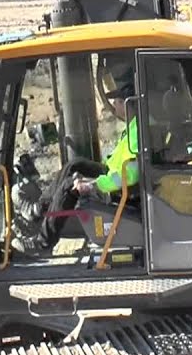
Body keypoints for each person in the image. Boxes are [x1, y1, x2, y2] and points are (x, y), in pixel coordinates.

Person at [38, 78, 139, 248]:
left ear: (130, 104)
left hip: (118, 188)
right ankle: (40, 209)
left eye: (119, 102)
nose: (115, 106)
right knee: (75, 165)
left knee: (70, 186)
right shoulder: (134, 126)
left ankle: (42, 243)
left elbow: (131, 174)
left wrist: (95, 184)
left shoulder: (139, 132)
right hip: (111, 174)